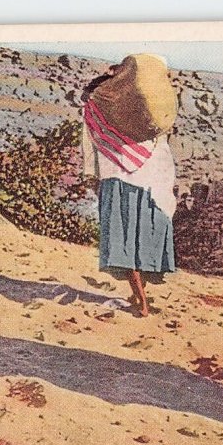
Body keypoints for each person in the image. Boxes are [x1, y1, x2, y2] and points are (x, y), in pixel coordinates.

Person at [81, 54, 178, 317]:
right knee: (143, 242)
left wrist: (92, 179)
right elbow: (165, 152)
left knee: (124, 243)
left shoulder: (95, 112)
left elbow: (90, 151)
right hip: (153, 185)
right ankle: (140, 298)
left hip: (118, 180)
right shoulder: (149, 118)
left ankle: (141, 302)